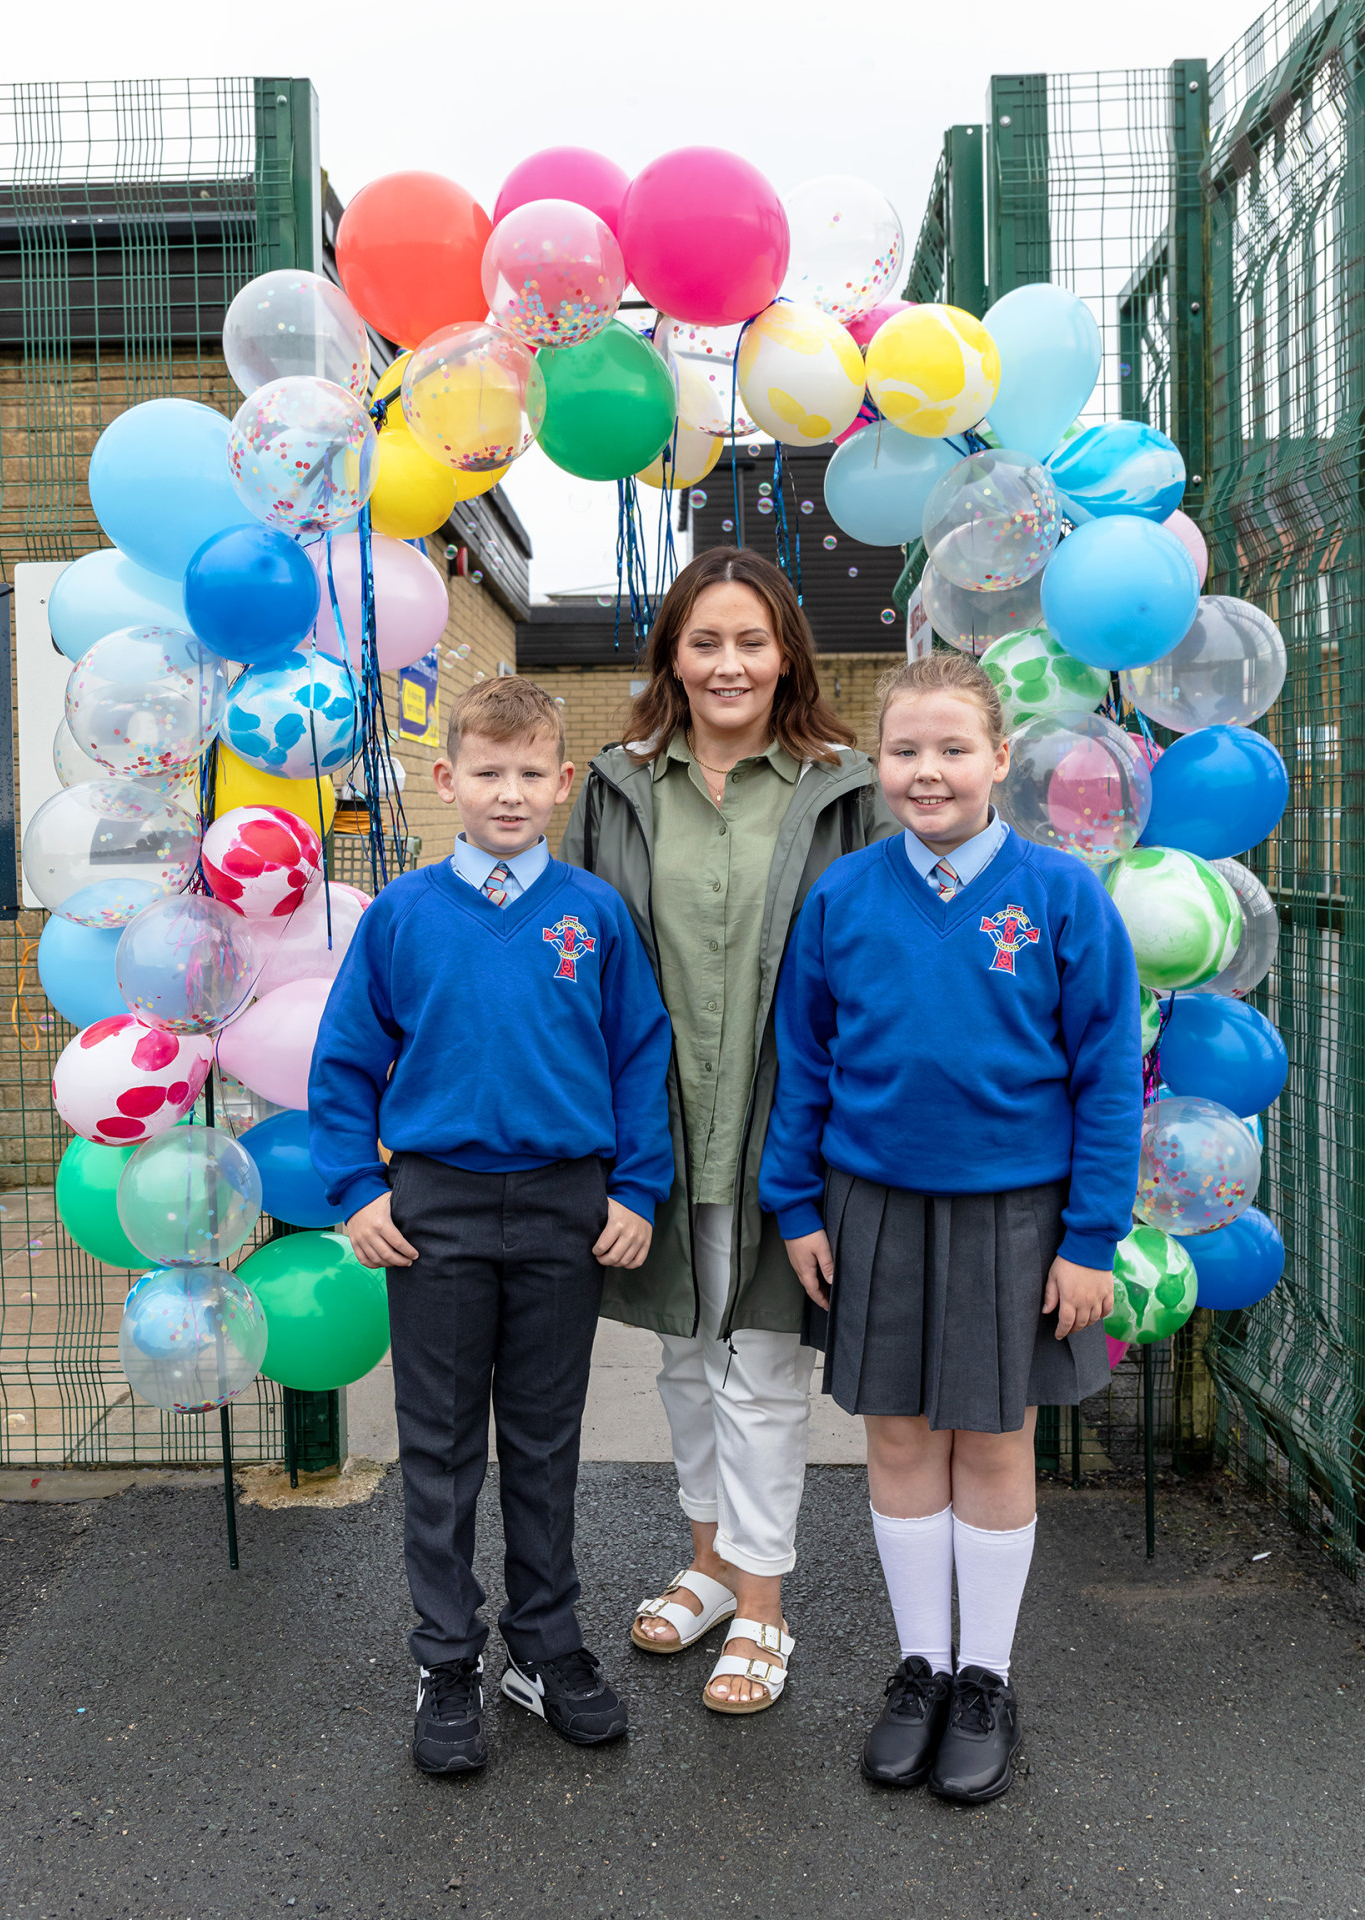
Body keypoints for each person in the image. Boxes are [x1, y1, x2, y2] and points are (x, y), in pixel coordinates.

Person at [760, 649, 1141, 1801]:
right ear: (876, 763)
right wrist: (794, 1203)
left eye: (953, 749)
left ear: (1000, 758)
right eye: (905, 750)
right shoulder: (842, 897)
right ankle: (921, 1667)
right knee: (896, 1439)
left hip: (1014, 1214)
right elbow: (803, 1064)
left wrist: (1090, 1238)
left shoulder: (1062, 894)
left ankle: (987, 1676)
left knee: (994, 1440)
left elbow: (1108, 1079)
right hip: (871, 1204)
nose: (928, 772)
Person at [308, 677, 674, 1776]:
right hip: (437, 1212)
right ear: (447, 779)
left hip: (567, 1207)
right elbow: (345, 1060)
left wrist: (637, 1188)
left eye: (529, 773)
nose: (508, 793)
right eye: (487, 772)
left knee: (545, 1443)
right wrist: (355, 1189)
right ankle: (446, 1658)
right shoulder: (402, 915)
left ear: (562, 783)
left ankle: (545, 1646)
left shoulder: (593, 914)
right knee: (441, 1446)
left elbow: (638, 1055)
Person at [560, 545, 897, 1714]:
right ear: (671, 655)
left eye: (752, 640)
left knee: (760, 1365)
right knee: (685, 1357)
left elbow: (873, 971)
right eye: (704, 641)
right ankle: (707, 1563)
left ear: (788, 654)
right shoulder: (617, 784)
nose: (729, 663)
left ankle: (763, 1606)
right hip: (657, 1127)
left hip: (782, 1128)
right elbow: (581, 960)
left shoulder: (843, 790)